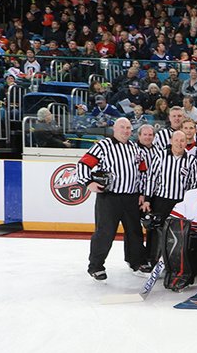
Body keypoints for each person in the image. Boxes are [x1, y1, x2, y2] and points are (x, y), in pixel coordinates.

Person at [76, 117, 148, 280]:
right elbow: (83, 165)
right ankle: (96, 266)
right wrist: (88, 183)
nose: (126, 130)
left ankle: (136, 262)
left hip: (131, 197)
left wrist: (142, 193)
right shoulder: (103, 146)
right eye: (122, 127)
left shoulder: (136, 149)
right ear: (114, 129)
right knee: (105, 233)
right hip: (109, 198)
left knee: (134, 232)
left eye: (129, 128)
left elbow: (143, 172)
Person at [142, 129, 197, 267]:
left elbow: (195, 186)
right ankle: (152, 260)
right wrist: (147, 200)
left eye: (182, 141)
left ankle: (174, 262)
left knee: (178, 234)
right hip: (161, 201)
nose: (179, 143)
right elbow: (152, 179)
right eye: (176, 140)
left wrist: (190, 206)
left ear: (186, 142)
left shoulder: (192, 161)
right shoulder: (160, 156)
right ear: (171, 141)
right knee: (155, 232)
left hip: (180, 203)